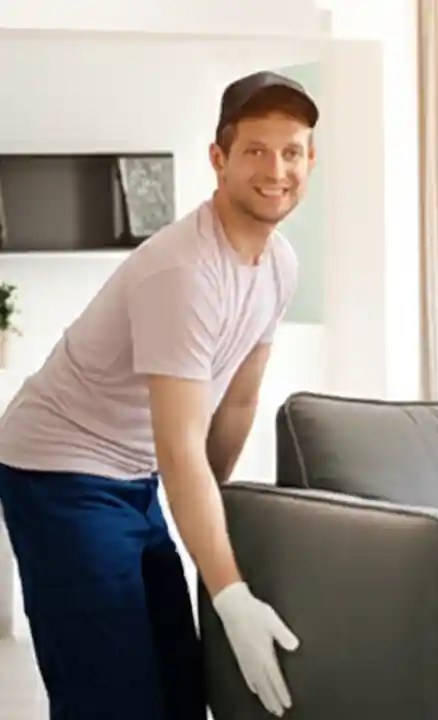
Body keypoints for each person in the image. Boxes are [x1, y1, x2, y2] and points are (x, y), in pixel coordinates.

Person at [0, 70, 316, 718]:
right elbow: (179, 446)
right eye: (256, 150)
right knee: (113, 695)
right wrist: (230, 594)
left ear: (311, 160)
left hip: (134, 474)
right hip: (60, 472)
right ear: (219, 159)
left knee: (177, 688)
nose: (276, 169)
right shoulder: (184, 272)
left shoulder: (279, 264)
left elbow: (236, 404)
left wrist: (212, 524)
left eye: (292, 151)